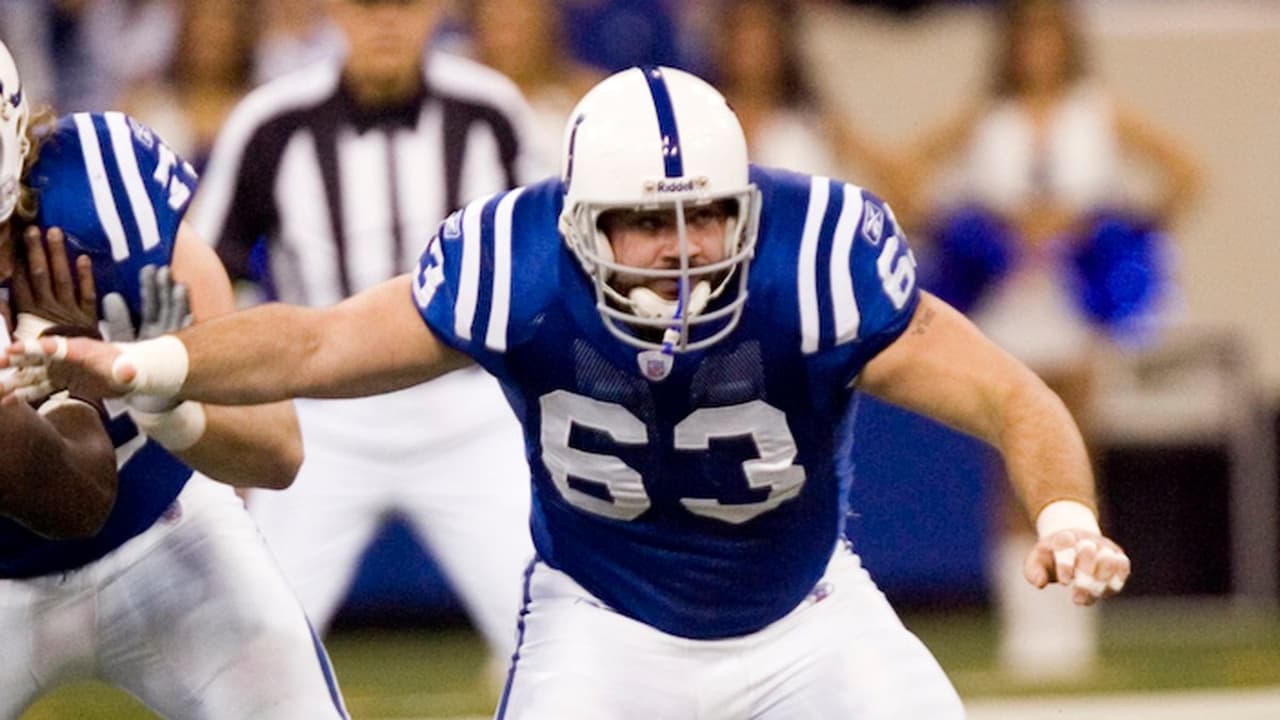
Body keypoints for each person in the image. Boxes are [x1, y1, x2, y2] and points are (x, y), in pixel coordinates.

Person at [6, 66, 1132, 718]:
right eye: (646, 220)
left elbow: (1008, 396)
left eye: (704, 215)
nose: (682, 249)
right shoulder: (515, 266)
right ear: (578, 221)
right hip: (603, 630)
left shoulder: (818, 252)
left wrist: (1068, 513)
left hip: (808, 619)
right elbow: (313, 346)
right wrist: (148, 367)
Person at [0, 40, 348, 719]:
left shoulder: (103, 184)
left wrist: (154, 388)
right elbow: (73, 498)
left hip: (168, 533)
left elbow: (276, 447)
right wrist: (79, 369)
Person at [188, 0, 536, 671]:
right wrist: (233, 411)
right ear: (334, 11)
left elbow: (546, 258)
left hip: (467, 412)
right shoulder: (272, 120)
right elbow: (204, 273)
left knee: (543, 628)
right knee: (258, 649)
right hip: (323, 419)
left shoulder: (492, 111)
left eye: (403, 5)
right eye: (367, 4)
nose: (386, 22)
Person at [900, 0, 1201, 679]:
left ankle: (1075, 629)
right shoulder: (988, 115)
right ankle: (1027, 630)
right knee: (1010, 459)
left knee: (1075, 451)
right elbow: (906, 170)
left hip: (1069, 303)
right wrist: (978, 230)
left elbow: (1185, 172)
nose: (1038, 49)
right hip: (1008, 301)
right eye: (1027, 35)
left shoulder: (1095, 109)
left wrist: (1112, 233)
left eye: (1050, 34)